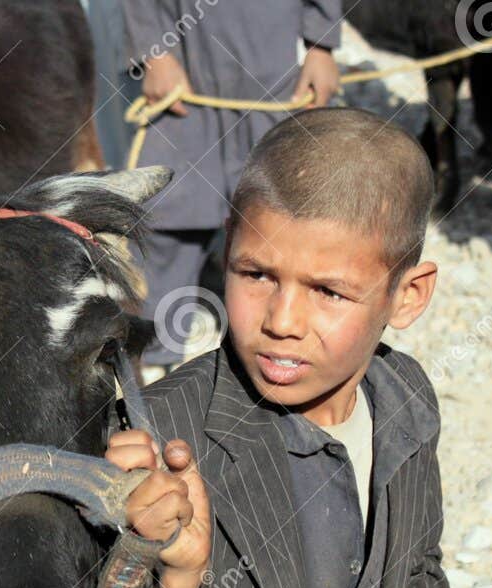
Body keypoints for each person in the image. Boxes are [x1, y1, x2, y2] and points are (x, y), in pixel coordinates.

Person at [103, 107, 455, 588]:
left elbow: (420, 570)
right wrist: (177, 578)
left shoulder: (405, 406)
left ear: (409, 294)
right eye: (256, 274)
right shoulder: (162, 444)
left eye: (329, 291)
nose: (281, 322)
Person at [122, 0, 343, 368]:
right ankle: (157, 358)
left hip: (271, 81)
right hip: (186, 81)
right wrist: (155, 54)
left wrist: (321, 48)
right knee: (170, 214)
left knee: (280, 217)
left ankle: (275, 352)